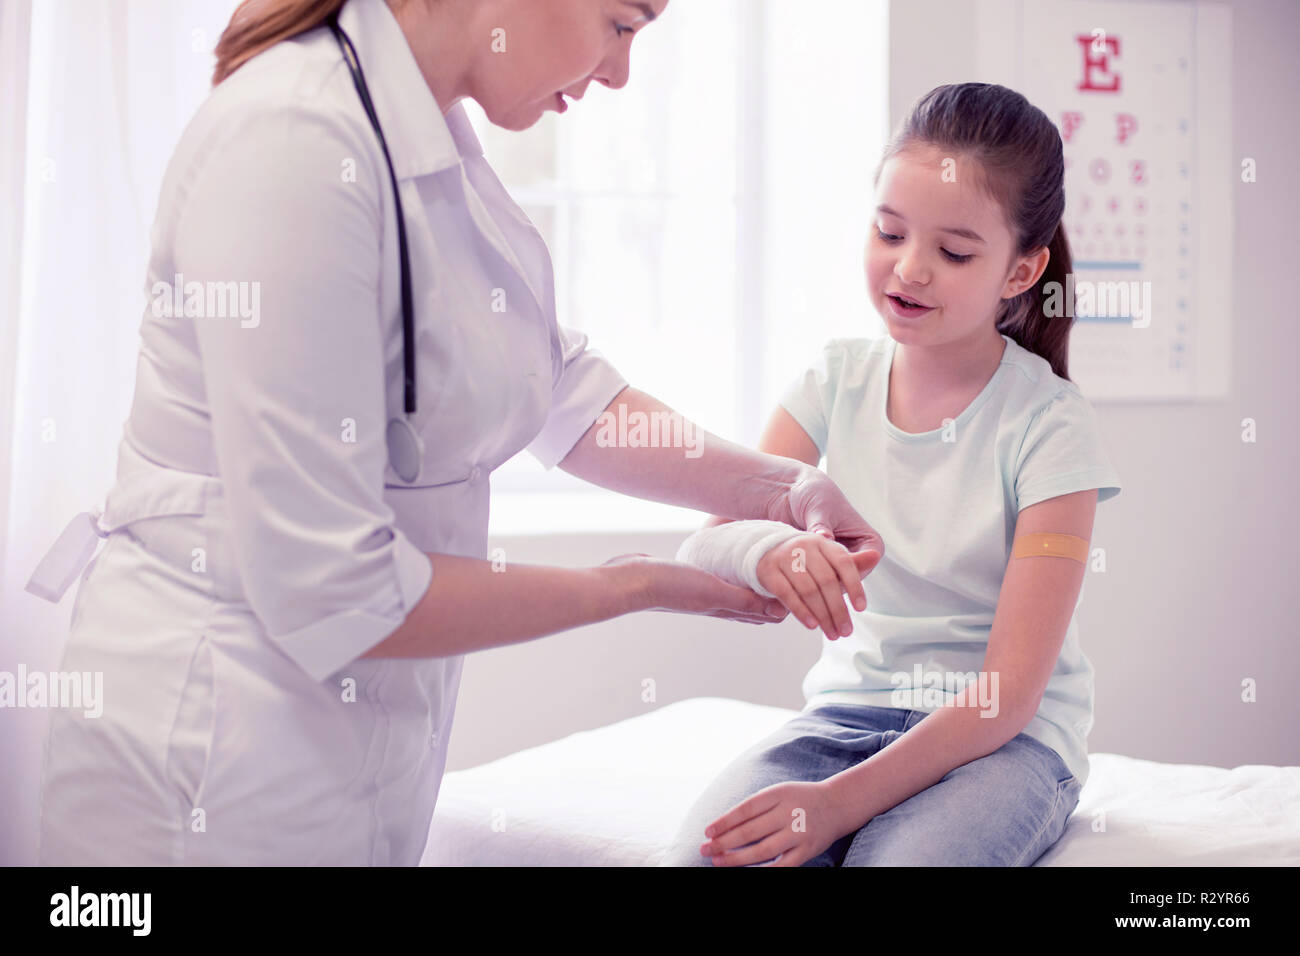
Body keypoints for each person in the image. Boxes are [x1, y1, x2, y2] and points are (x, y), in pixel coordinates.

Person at [28, 0, 883, 866]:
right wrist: (634, 587)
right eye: (622, 24)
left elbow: (553, 389)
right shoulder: (292, 144)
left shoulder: (427, 132)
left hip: (346, 747)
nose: (623, 71)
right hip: (209, 750)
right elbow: (335, 589)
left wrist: (779, 487)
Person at [663, 82, 1123, 867]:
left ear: (1021, 270)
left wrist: (836, 807)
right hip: (843, 721)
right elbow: (703, 548)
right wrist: (766, 553)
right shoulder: (834, 381)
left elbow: (1006, 697)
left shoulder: (1051, 426)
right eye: (888, 232)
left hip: (1003, 745)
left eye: (953, 252)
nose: (908, 270)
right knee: (700, 858)